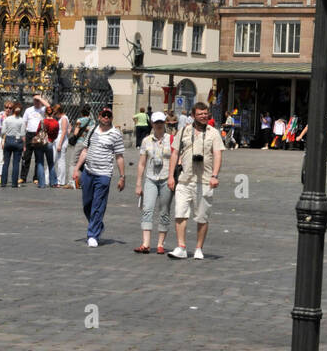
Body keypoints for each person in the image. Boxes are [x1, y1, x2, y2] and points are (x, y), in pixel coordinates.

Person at [166, 101, 224, 261]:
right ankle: (181, 247)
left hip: (205, 180)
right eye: (200, 114)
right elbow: (174, 153)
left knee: (202, 216)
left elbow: (218, 154)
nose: (204, 117)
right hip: (184, 179)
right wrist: (171, 176)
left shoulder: (213, 133)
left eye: (206, 114)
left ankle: (199, 248)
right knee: (180, 213)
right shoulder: (184, 131)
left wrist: (215, 175)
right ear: (193, 116)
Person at [73, 105, 126, 247]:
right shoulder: (92, 131)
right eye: (104, 115)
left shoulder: (116, 134)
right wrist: (76, 169)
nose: (106, 118)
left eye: (109, 115)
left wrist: (122, 177)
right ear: (99, 116)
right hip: (88, 172)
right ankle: (98, 225)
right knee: (87, 204)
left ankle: (92, 234)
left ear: (112, 118)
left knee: (98, 205)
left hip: (104, 174)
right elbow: (85, 151)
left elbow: (119, 156)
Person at [134, 111, 173, 254]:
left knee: (164, 211)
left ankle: (161, 244)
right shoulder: (146, 140)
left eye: (161, 122)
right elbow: (141, 163)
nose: (159, 125)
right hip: (150, 178)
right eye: (156, 122)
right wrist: (139, 183)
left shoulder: (172, 139)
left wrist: (173, 178)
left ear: (165, 123)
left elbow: (177, 159)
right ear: (152, 123)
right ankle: (145, 243)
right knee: (147, 209)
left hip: (166, 178)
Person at [19, 93, 50, 185]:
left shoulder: (43, 109)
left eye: (37, 100)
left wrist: (40, 99)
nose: (36, 101)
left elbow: (49, 106)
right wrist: (23, 136)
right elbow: (24, 122)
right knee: (26, 156)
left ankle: (36, 177)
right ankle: (23, 177)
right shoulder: (28, 110)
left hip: (39, 135)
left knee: (38, 157)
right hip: (29, 134)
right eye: (35, 100)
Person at [68, 104, 94, 188]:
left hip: (80, 142)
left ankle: (71, 182)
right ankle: (84, 182)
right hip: (89, 144)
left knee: (73, 162)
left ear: (82, 112)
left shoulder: (80, 120)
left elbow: (75, 133)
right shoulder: (93, 121)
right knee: (84, 164)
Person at [0, 103, 25, 187]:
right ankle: (14, 183)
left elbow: (3, 131)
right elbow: (22, 133)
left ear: (13, 109)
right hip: (17, 141)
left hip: (8, 140)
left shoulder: (7, 119)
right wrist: (24, 145)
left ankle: (3, 182)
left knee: (6, 162)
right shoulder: (22, 121)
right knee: (16, 163)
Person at [36, 104, 60, 187]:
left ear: (45, 113)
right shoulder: (56, 123)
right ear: (53, 113)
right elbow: (56, 135)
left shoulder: (43, 121)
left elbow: (37, 131)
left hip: (41, 143)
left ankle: (42, 183)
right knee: (51, 163)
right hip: (49, 143)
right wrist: (51, 139)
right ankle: (53, 182)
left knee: (40, 163)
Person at [52, 103, 70, 188]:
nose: (55, 115)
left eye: (55, 113)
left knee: (60, 161)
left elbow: (63, 131)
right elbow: (68, 129)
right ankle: (56, 179)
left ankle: (60, 180)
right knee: (56, 159)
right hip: (60, 139)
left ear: (59, 112)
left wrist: (60, 144)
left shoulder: (63, 118)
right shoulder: (64, 118)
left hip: (61, 140)